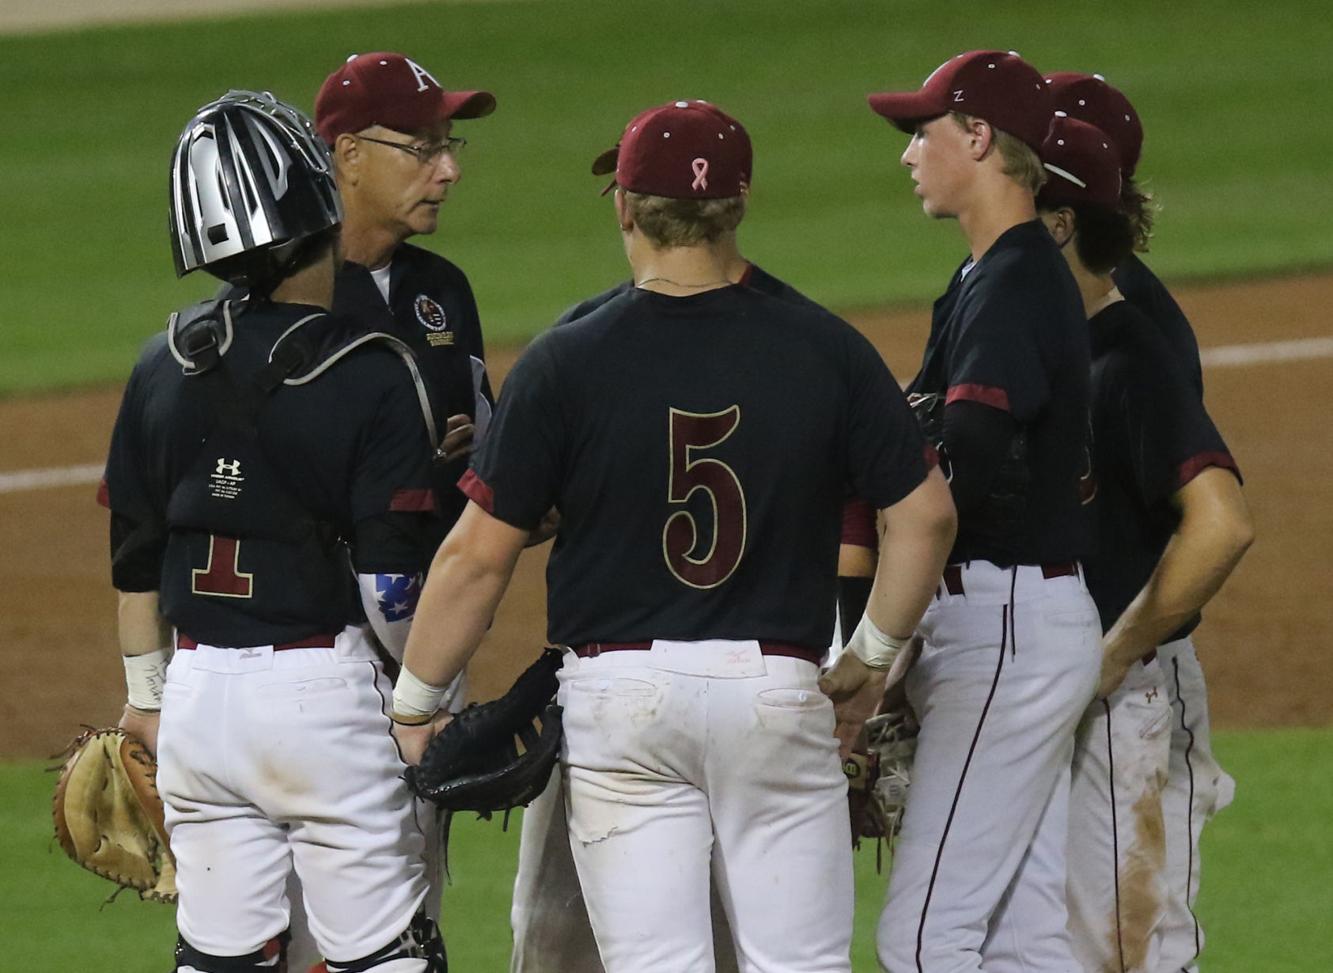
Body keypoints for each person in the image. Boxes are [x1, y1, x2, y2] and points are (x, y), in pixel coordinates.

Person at [391, 98, 957, 973]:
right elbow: (924, 515)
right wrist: (869, 658)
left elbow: (475, 556)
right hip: (775, 692)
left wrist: (415, 703)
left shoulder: (565, 358)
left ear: (625, 207)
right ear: (737, 204)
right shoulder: (825, 346)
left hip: (624, 704)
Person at [102, 91, 444, 971]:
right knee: (388, 953)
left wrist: (148, 699)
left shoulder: (159, 362)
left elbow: (135, 562)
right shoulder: (372, 369)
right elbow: (388, 586)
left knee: (218, 959)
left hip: (196, 704)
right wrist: (429, 694)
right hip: (321, 702)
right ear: (320, 204)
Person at [862, 51, 1103, 972]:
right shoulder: (988, 275)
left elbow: (958, 471)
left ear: (976, 137)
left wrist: (878, 641)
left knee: (924, 939)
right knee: (1021, 934)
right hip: (1022, 617)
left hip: (1002, 622)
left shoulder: (1011, 283)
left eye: (919, 132)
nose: (907, 154)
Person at [1041, 81, 1254, 972]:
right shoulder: (1035, 307)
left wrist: (1111, 654)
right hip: (1059, 679)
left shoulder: (1134, 338)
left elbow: (1214, 524)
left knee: (1132, 950)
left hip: (1122, 682)